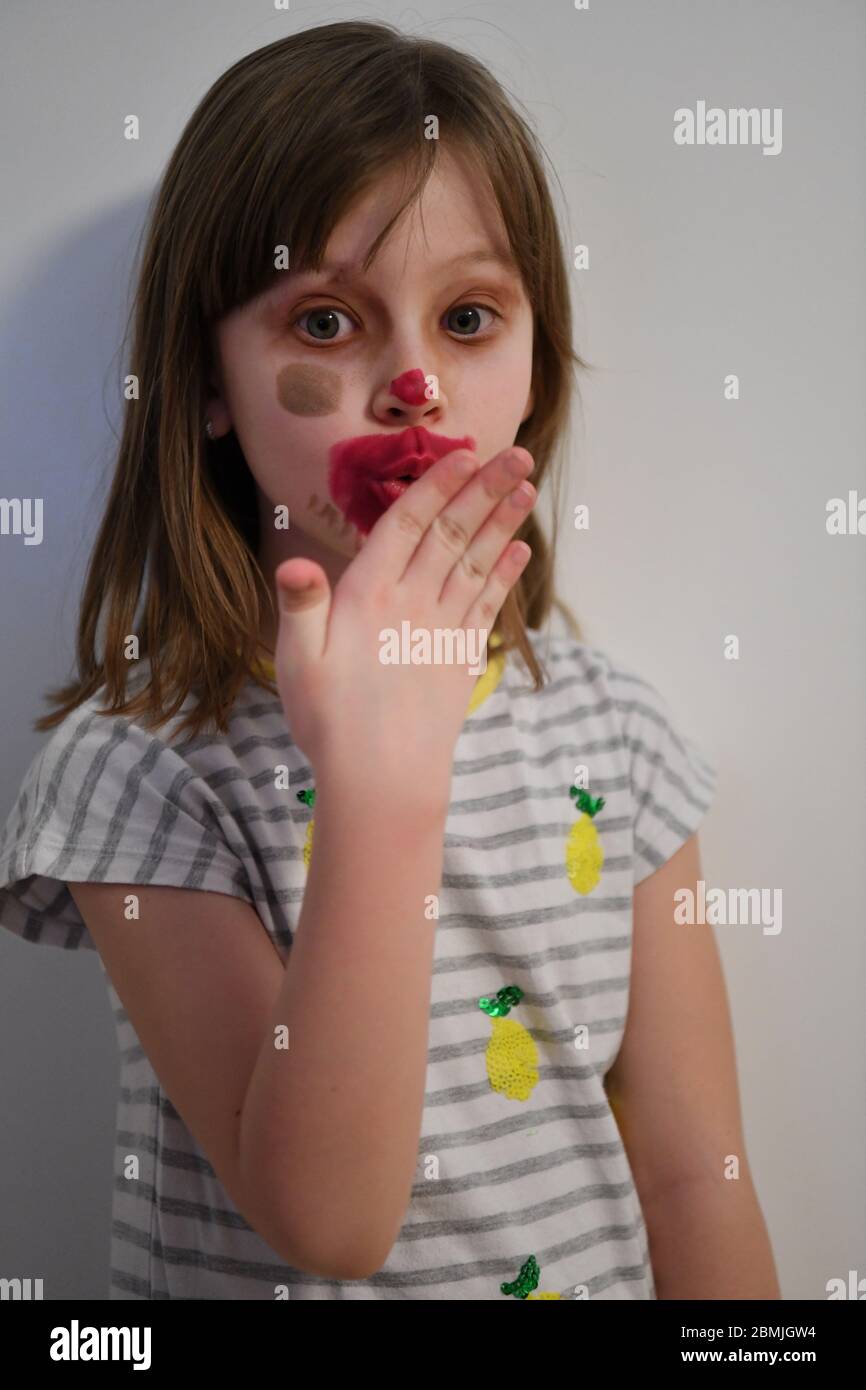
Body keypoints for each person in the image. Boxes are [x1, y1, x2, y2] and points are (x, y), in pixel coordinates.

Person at [0, 20, 779, 1300]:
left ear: (531, 369)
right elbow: (329, 1223)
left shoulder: (619, 740)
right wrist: (379, 783)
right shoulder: (134, 776)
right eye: (325, 320)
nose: (416, 381)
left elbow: (695, 1174)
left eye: (468, 317)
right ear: (209, 382)